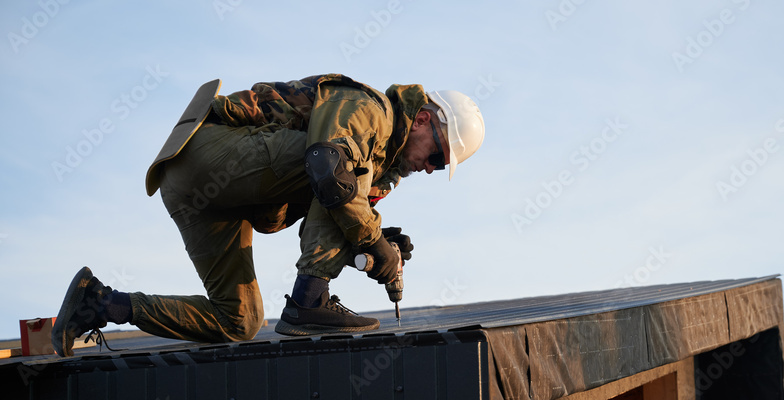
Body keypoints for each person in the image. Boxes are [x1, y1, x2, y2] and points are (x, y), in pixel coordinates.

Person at [51, 74, 485, 357]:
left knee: (239, 321)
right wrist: (372, 242)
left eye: (439, 167)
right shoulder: (372, 109)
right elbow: (325, 167)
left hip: (204, 198)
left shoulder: (378, 163)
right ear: (424, 118)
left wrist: (377, 240)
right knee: (339, 169)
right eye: (438, 156)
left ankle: (101, 302)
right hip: (206, 156)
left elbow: (339, 202)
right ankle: (308, 300)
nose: (430, 168)